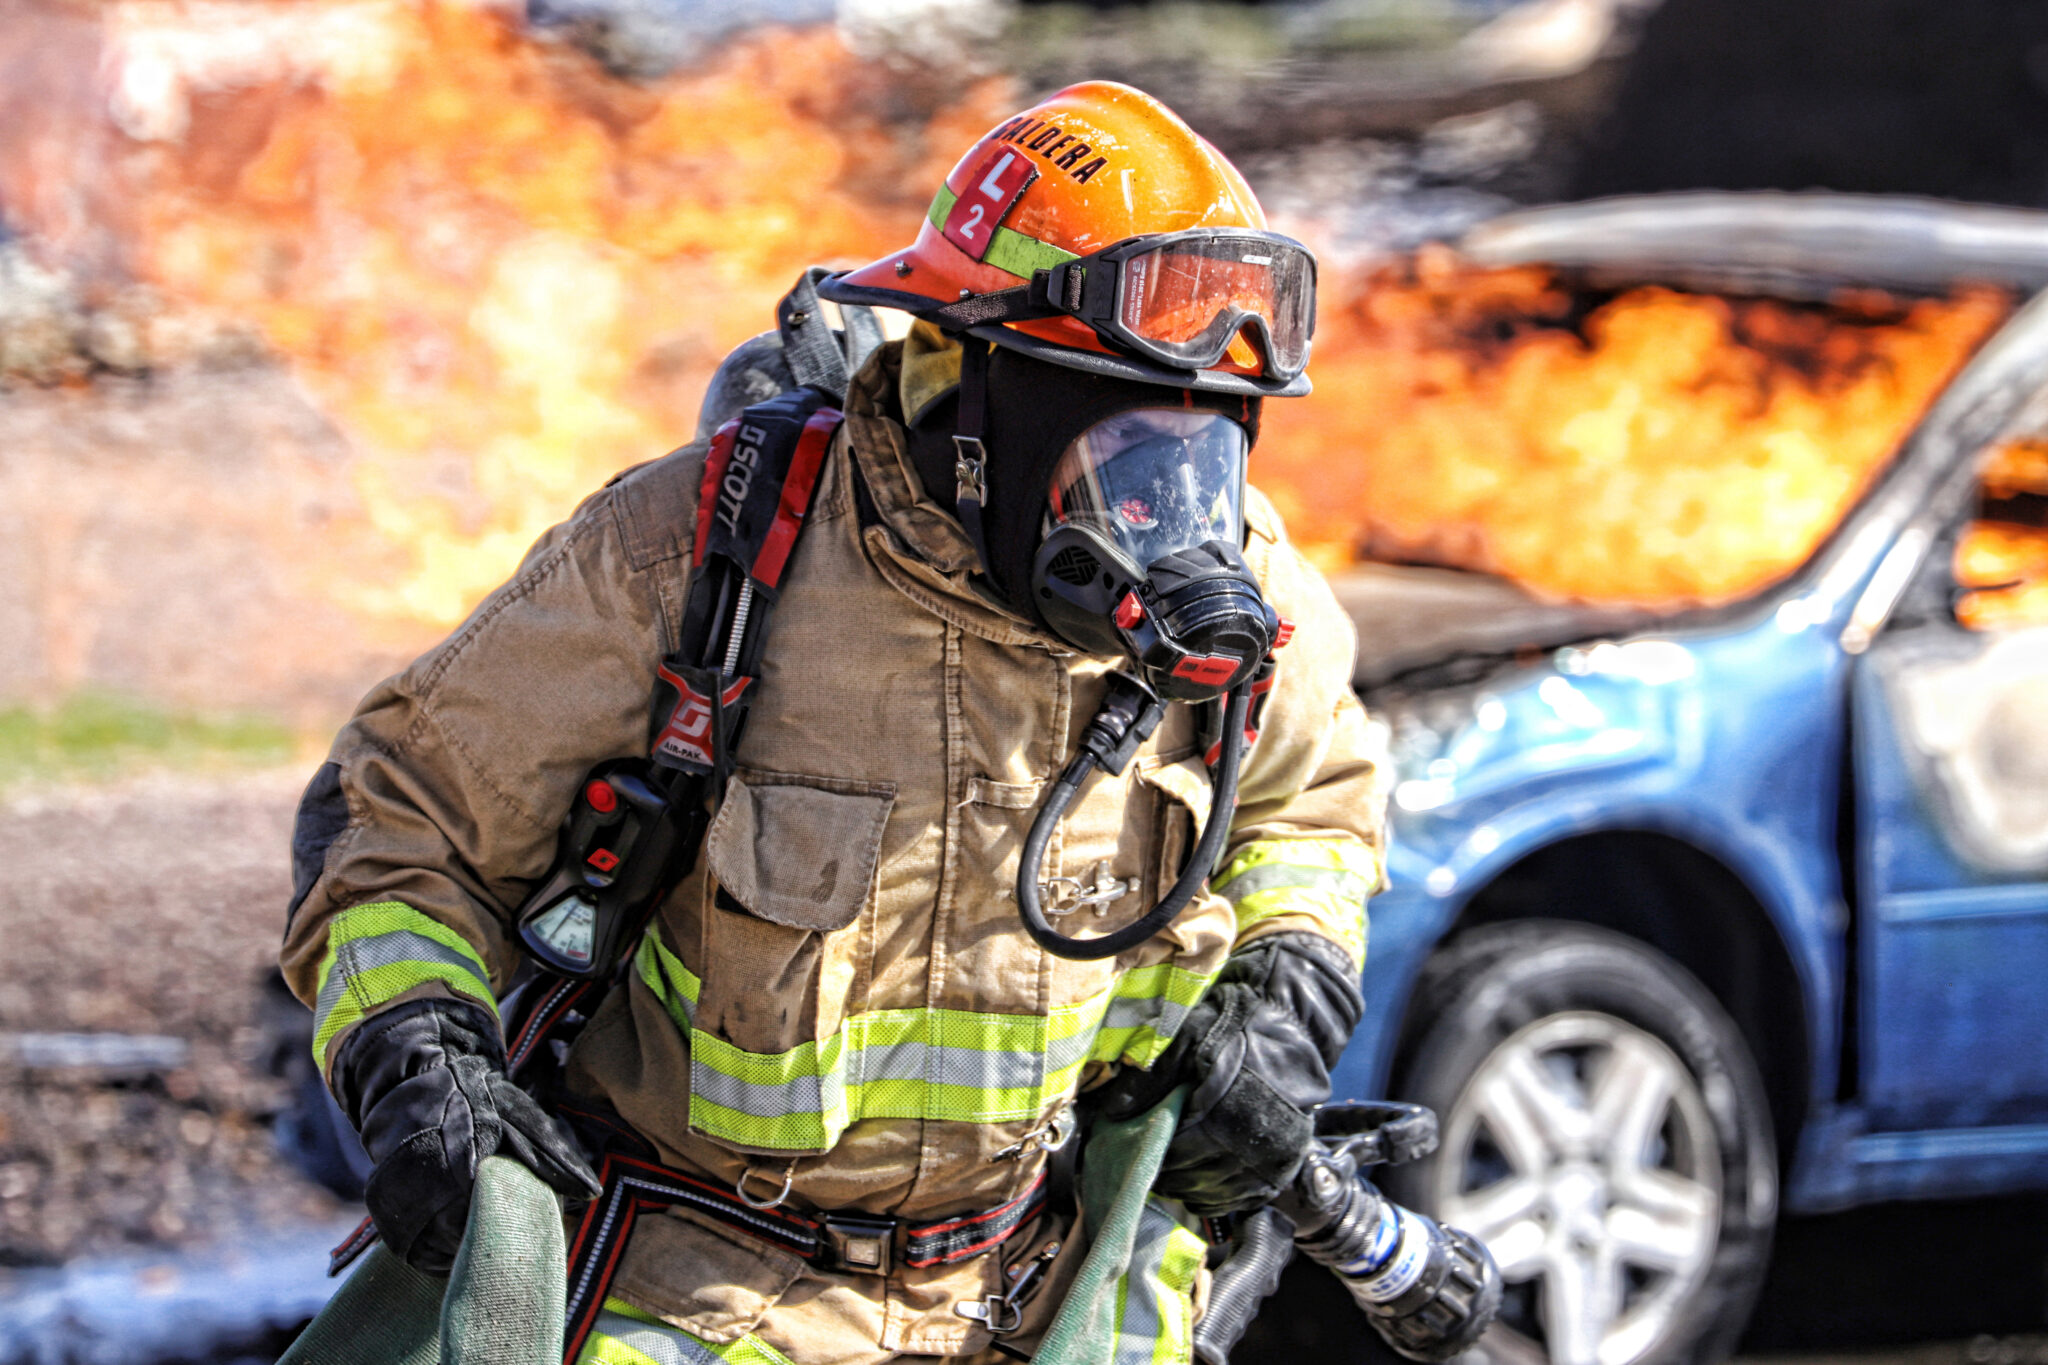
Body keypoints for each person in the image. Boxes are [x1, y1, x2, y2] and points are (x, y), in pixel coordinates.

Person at [281, 79, 1385, 1365]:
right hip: (691, 1290)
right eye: (1117, 439)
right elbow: (395, 819)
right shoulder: (692, 555)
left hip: (1037, 1287)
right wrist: (419, 1059)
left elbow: (1311, 807)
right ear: (972, 395)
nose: (1170, 508)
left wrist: (1286, 982)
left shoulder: (1251, 595)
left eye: (1208, 445)